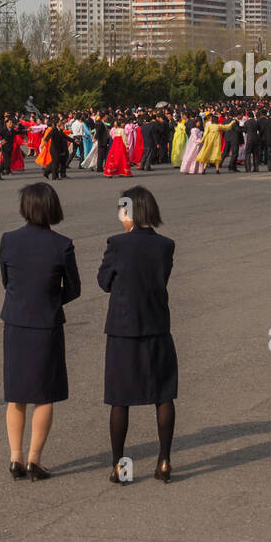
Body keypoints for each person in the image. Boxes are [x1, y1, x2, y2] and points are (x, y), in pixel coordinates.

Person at [0, 182, 81, 481]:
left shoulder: (8, 240)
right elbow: (74, 289)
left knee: (16, 395)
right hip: (46, 323)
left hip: (16, 323)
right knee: (44, 395)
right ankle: (34, 459)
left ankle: (15, 457)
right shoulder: (62, 244)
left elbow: (7, 280)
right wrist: (48, 300)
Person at [97, 186, 177, 485]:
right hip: (156, 324)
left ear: (129, 211)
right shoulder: (166, 245)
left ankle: (119, 465)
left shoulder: (117, 244)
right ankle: (165, 460)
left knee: (120, 399)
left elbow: (104, 282)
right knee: (163, 394)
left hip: (123, 327)